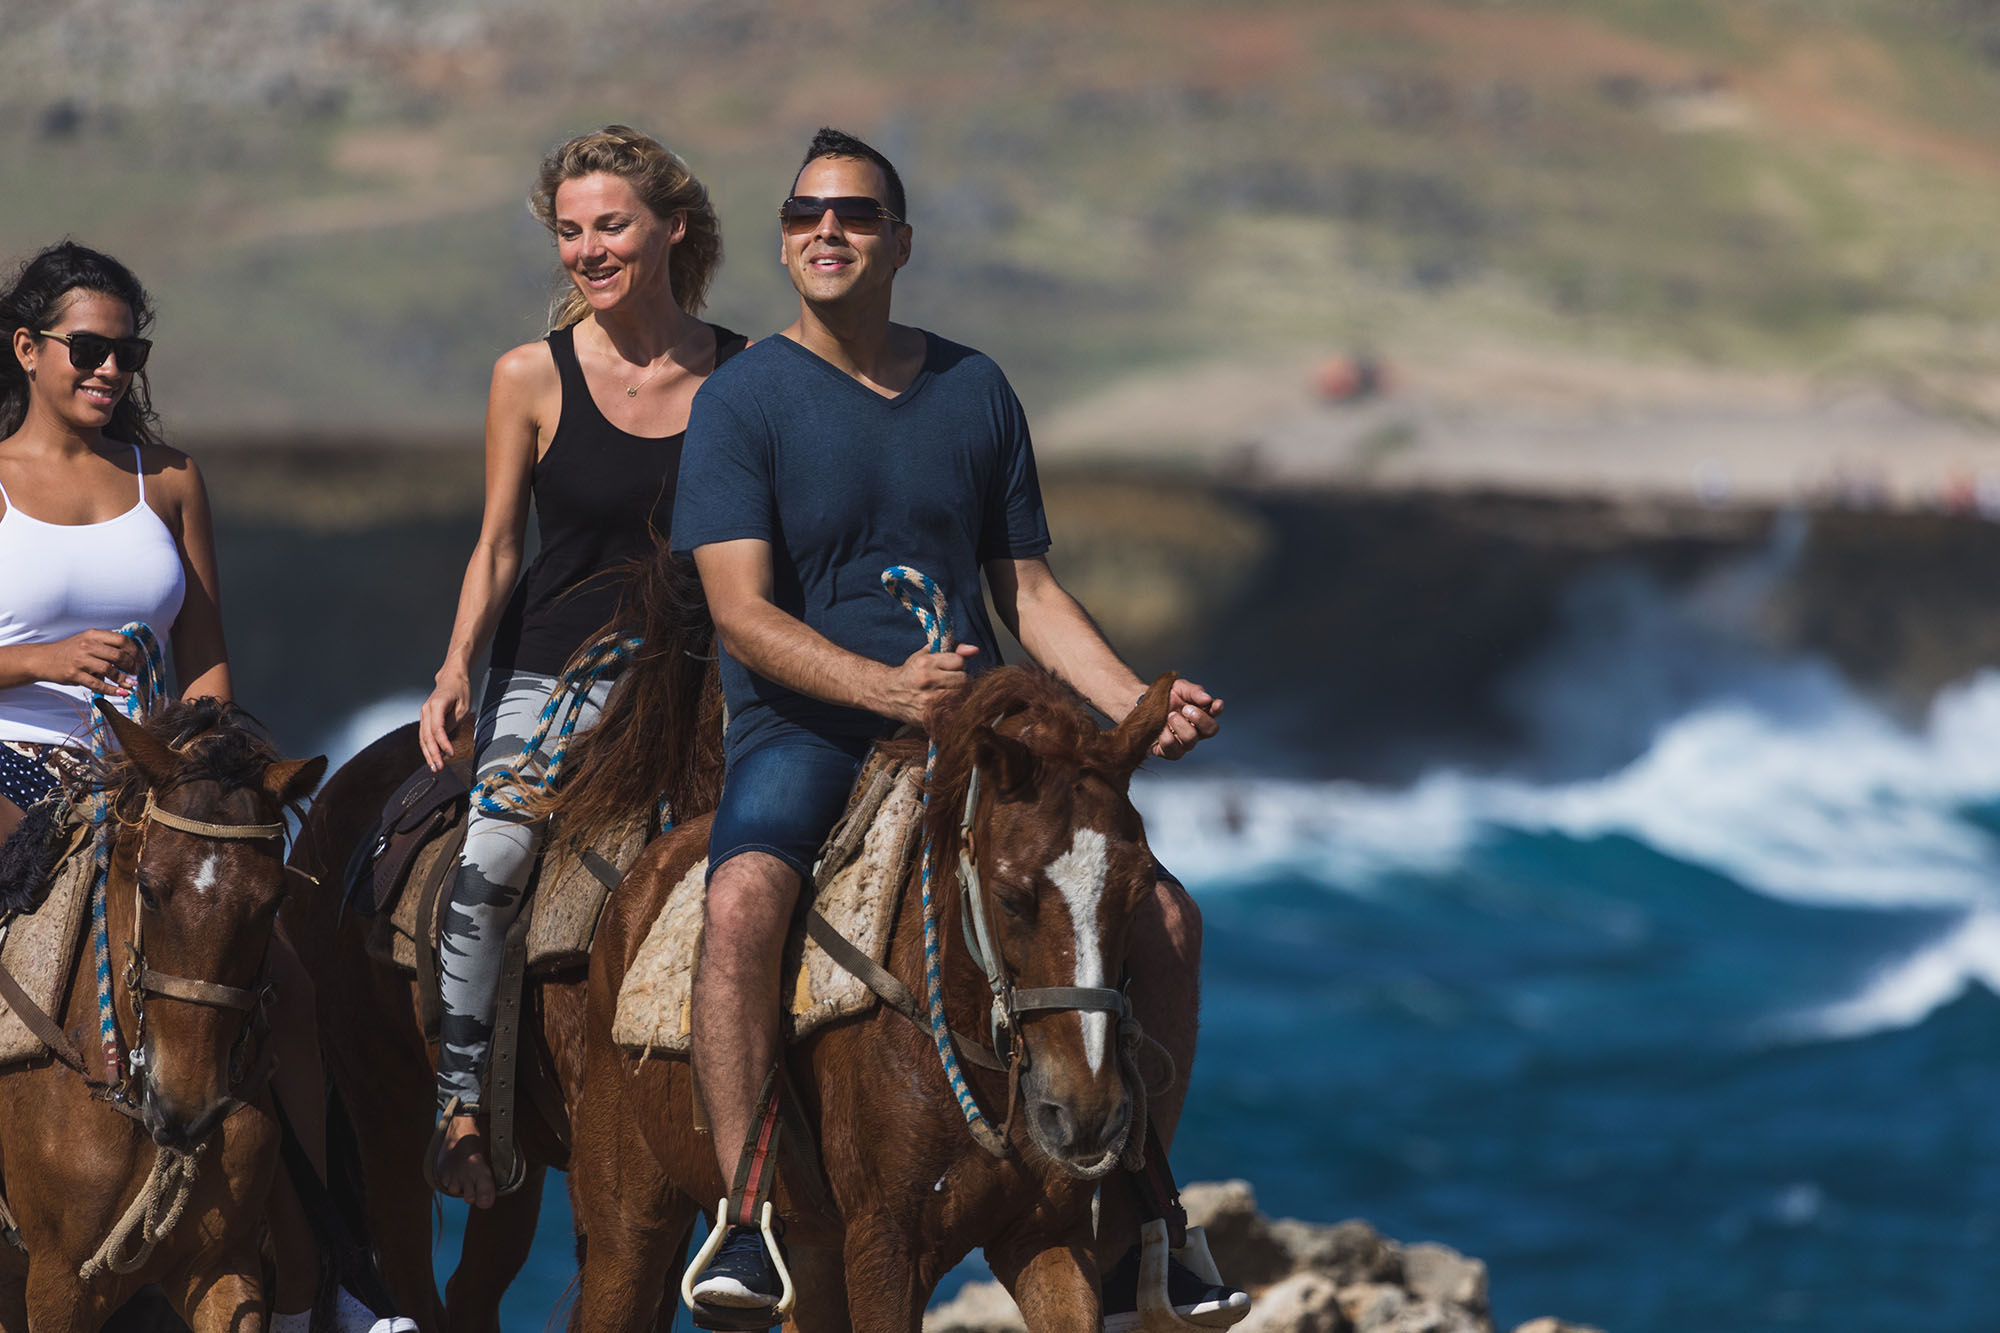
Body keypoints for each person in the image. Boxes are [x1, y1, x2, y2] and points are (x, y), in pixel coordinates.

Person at [673, 129, 1249, 1330]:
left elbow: (1028, 594)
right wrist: (877, 691)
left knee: (1164, 913)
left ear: (899, 242)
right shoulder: (741, 402)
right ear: (783, 239)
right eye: (803, 213)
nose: (824, 230)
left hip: (986, 736)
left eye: (854, 214)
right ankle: (745, 1215)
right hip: (810, 731)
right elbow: (737, 609)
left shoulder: (972, 388)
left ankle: (1145, 1207)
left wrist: (1137, 701)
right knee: (736, 904)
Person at [0, 243, 411, 1333]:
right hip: (7, 756)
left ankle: (323, 1262)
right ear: (27, 348)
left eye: (127, 351)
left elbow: (210, 652)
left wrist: (205, 754)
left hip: (151, 773)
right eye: (88, 348)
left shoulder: (168, 476)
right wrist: (37, 661)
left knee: (287, 981)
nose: (109, 370)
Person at [417, 125, 747, 1205]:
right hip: (557, 668)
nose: (588, 249)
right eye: (570, 230)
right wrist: (456, 665)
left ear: (670, 229)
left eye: (611, 224)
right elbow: (498, 543)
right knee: (497, 847)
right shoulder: (531, 374)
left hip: (704, 673)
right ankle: (461, 1099)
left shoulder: (749, 375)